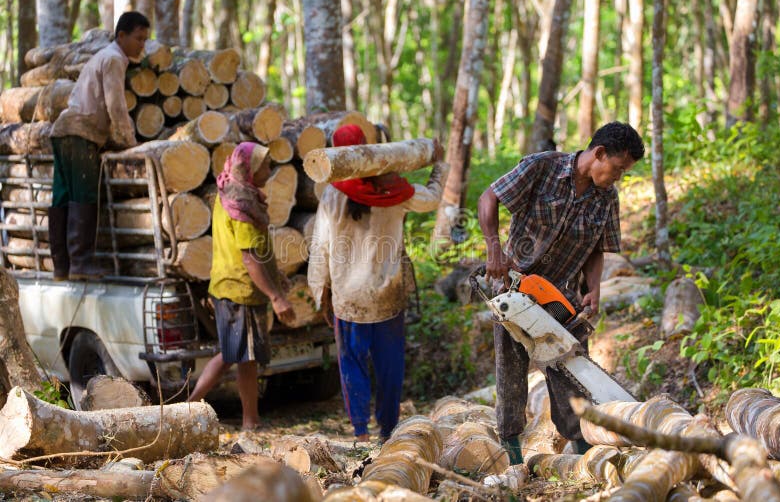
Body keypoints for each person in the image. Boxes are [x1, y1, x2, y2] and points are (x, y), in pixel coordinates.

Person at [478, 122, 644, 463]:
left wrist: (593, 289)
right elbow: (489, 196)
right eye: (617, 169)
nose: (618, 177)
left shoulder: (607, 198)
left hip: (562, 297)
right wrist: (494, 248)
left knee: (571, 373)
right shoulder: (543, 167)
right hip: (516, 288)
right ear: (599, 153)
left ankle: (581, 453)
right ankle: (513, 458)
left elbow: (598, 249)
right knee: (511, 373)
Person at [308, 125, 448, 443]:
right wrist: (439, 164)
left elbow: (321, 246)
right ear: (367, 149)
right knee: (390, 364)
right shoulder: (394, 190)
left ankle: (360, 431)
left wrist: (321, 291)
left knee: (352, 363)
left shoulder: (331, 194)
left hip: (348, 295)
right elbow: (433, 199)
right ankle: (387, 430)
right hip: (387, 293)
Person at [188, 142, 296, 430]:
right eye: (265, 166)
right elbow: (249, 258)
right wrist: (276, 296)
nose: (270, 171)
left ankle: (239, 418)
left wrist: (276, 276)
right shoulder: (242, 204)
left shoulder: (231, 192)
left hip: (231, 286)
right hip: (240, 288)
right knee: (239, 356)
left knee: (237, 354)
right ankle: (239, 419)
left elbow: (258, 250)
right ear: (248, 169)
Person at [48, 11, 150, 280]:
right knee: (84, 196)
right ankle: (81, 264)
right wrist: (129, 142)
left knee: (62, 198)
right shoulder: (115, 58)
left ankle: (61, 266)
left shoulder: (104, 56)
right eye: (139, 39)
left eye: (145, 40)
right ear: (122, 36)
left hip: (62, 131)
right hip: (81, 133)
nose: (142, 45)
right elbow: (115, 104)